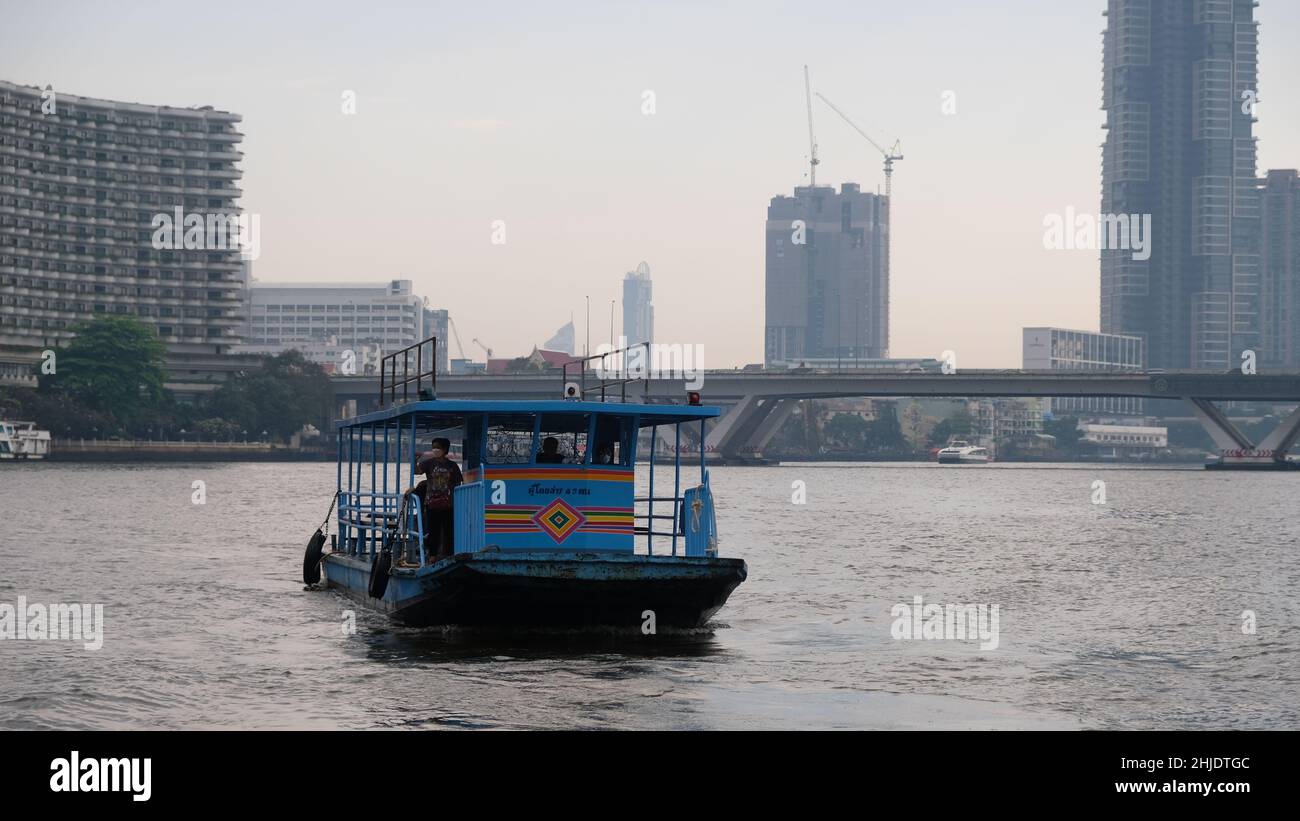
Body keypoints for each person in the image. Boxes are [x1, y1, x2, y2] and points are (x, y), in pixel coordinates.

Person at [405, 437, 463, 561]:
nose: (435, 449)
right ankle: (433, 555)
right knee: (433, 530)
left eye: (438, 447)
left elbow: (458, 483)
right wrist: (414, 462)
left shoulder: (452, 465)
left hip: (449, 503)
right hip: (431, 503)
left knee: (449, 530)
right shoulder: (429, 463)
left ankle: (448, 553)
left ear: (445, 449)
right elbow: (417, 472)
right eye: (434, 447)